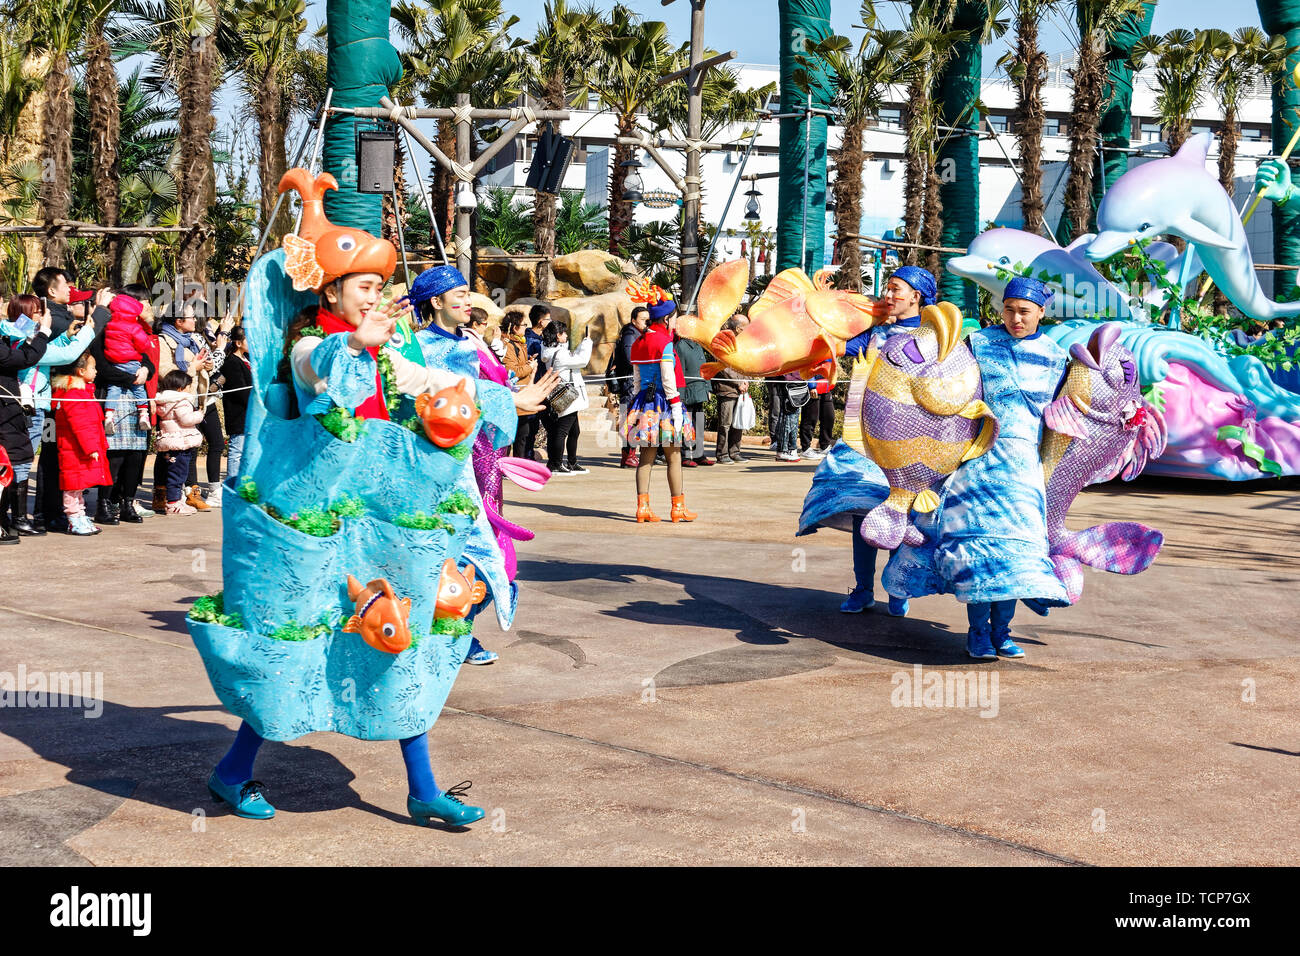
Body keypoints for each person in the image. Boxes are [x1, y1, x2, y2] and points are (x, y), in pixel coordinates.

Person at [884, 275, 1070, 660]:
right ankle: (977, 634)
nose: (1015, 319)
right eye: (1009, 310)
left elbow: (1064, 416)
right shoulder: (979, 344)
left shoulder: (1056, 356)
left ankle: (1002, 633)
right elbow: (943, 385)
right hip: (978, 462)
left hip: (1025, 472)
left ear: (1041, 312)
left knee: (1016, 555)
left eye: (1024, 312)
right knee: (979, 552)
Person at [408, 265, 556, 668]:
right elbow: (430, 401)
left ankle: (456, 628)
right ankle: (454, 635)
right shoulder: (419, 348)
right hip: (443, 465)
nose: (467, 300)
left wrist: (513, 392)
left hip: (484, 462)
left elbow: (498, 390)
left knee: (498, 560)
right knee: (457, 551)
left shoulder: (474, 341)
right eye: (457, 294)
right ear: (436, 302)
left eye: (466, 292)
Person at [796, 266, 936, 618]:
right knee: (863, 514)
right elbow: (837, 348)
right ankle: (862, 589)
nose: (888, 295)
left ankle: (897, 587)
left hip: (908, 444)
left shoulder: (931, 338)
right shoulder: (873, 334)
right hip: (864, 441)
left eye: (896, 289)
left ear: (915, 296)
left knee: (901, 517)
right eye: (888, 288)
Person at [624, 282, 697, 522]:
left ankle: (642, 507)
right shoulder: (663, 343)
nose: (675, 322)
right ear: (665, 319)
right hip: (664, 404)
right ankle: (678, 508)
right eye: (674, 318)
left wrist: (638, 403)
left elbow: (636, 380)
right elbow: (667, 380)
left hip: (643, 403)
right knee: (674, 456)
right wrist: (676, 407)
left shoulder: (638, 343)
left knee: (646, 456)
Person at [89, 285, 157, 526]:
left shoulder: (136, 330)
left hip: (137, 402)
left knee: (136, 455)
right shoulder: (103, 331)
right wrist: (130, 378)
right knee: (115, 455)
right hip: (113, 397)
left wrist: (146, 369)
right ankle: (104, 504)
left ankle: (128, 502)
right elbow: (102, 369)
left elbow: (146, 358)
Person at [153, 303, 213, 513]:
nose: (195, 320)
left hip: (192, 396)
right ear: (178, 321)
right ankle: (164, 496)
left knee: (190, 448)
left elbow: (205, 363)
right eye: (191, 317)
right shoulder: (163, 341)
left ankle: (189, 493)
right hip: (173, 402)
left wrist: (206, 364)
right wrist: (192, 367)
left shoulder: (192, 340)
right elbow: (164, 371)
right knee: (169, 451)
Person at [0, 299, 50, 543]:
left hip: (12, 410)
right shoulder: (7, 330)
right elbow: (23, 357)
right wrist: (46, 332)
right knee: (10, 463)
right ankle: (11, 519)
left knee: (17, 461)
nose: (41, 314)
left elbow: (20, 330)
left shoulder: (9, 329)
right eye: (37, 310)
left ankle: (12, 519)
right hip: (7, 410)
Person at [50, 351, 110, 536]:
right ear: (81, 371)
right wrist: (91, 447)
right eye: (93, 367)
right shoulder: (74, 394)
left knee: (78, 487)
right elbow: (80, 424)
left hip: (79, 448)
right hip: (75, 449)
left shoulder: (82, 392)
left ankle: (80, 515)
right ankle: (73, 518)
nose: (97, 371)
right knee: (72, 486)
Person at [540, 319, 592, 475]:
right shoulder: (559, 354)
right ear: (557, 335)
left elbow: (570, 355)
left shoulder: (550, 350)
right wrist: (587, 342)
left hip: (566, 395)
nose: (567, 336)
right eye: (564, 333)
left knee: (574, 431)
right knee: (561, 431)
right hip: (566, 396)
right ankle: (555, 464)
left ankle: (571, 462)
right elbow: (582, 360)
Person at [154, 369, 207, 516]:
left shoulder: (164, 401)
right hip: (180, 443)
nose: (190, 390)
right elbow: (186, 420)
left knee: (170, 473)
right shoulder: (181, 401)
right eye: (188, 386)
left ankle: (174, 500)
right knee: (178, 475)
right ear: (180, 388)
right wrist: (199, 415)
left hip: (169, 442)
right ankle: (173, 503)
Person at [100, 293, 154, 436]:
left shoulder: (108, 325)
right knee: (139, 389)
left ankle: (108, 417)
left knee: (114, 390)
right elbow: (144, 345)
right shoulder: (133, 327)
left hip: (115, 363)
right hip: (131, 362)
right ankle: (143, 414)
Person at [609, 306, 646, 468]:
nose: (646, 322)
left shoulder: (637, 333)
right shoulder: (630, 334)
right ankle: (629, 455)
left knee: (634, 420)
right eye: (643, 319)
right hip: (630, 384)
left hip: (634, 383)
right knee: (630, 419)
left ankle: (628, 455)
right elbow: (631, 358)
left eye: (648, 319)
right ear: (633, 320)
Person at [503, 313, 542, 461]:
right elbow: (512, 372)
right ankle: (508, 466)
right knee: (512, 437)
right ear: (514, 327)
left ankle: (518, 465)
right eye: (524, 325)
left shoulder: (520, 343)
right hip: (514, 397)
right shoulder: (508, 346)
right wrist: (530, 366)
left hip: (522, 396)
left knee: (523, 434)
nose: (526, 328)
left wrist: (528, 363)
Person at [710, 317, 748, 464]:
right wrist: (738, 382)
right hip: (726, 389)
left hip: (741, 389)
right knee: (725, 423)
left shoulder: (741, 343)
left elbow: (745, 362)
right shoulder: (721, 340)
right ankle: (722, 453)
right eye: (745, 328)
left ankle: (735, 451)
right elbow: (723, 365)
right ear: (738, 329)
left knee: (738, 422)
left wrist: (746, 380)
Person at [674, 331, 713, 467]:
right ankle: (684, 455)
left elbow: (705, 368)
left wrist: (708, 388)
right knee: (686, 425)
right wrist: (681, 394)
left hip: (700, 390)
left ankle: (699, 454)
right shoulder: (681, 346)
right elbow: (680, 371)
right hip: (688, 391)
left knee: (699, 424)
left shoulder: (698, 345)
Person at [221, 325, 252, 483]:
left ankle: (243, 482)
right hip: (238, 413)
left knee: (246, 451)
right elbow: (241, 391)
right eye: (247, 339)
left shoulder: (246, 360)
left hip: (249, 414)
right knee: (237, 450)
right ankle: (232, 483)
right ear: (238, 343)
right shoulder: (232, 362)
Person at [799, 371, 834, 460]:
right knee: (810, 418)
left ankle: (824, 446)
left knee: (829, 417)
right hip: (813, 387)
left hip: (825, 385)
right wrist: (811, 385)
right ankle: (805, 449)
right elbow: (808, 365)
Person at [771, 373, 803, 462]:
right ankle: (782, 451)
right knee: (786, 420)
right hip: (786, 384)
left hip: (797, 383)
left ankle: (791, 449)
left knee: (794, 420)